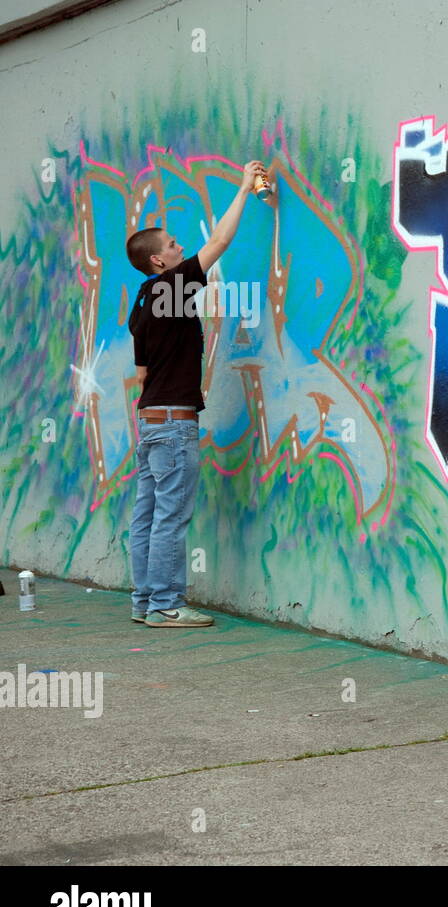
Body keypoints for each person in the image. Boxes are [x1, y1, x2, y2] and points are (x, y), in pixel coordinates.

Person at [126, 159, 267, 628]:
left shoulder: (144, 299)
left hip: (150, 422)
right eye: (171, 244)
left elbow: (142, 373)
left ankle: (145, 602)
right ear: (158, 262)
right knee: (170, 517)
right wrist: (245, 189)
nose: (179, 245)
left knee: (146, 515)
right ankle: (166, 605)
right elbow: (220, 242)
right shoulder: (174, 284)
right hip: (172, 424)